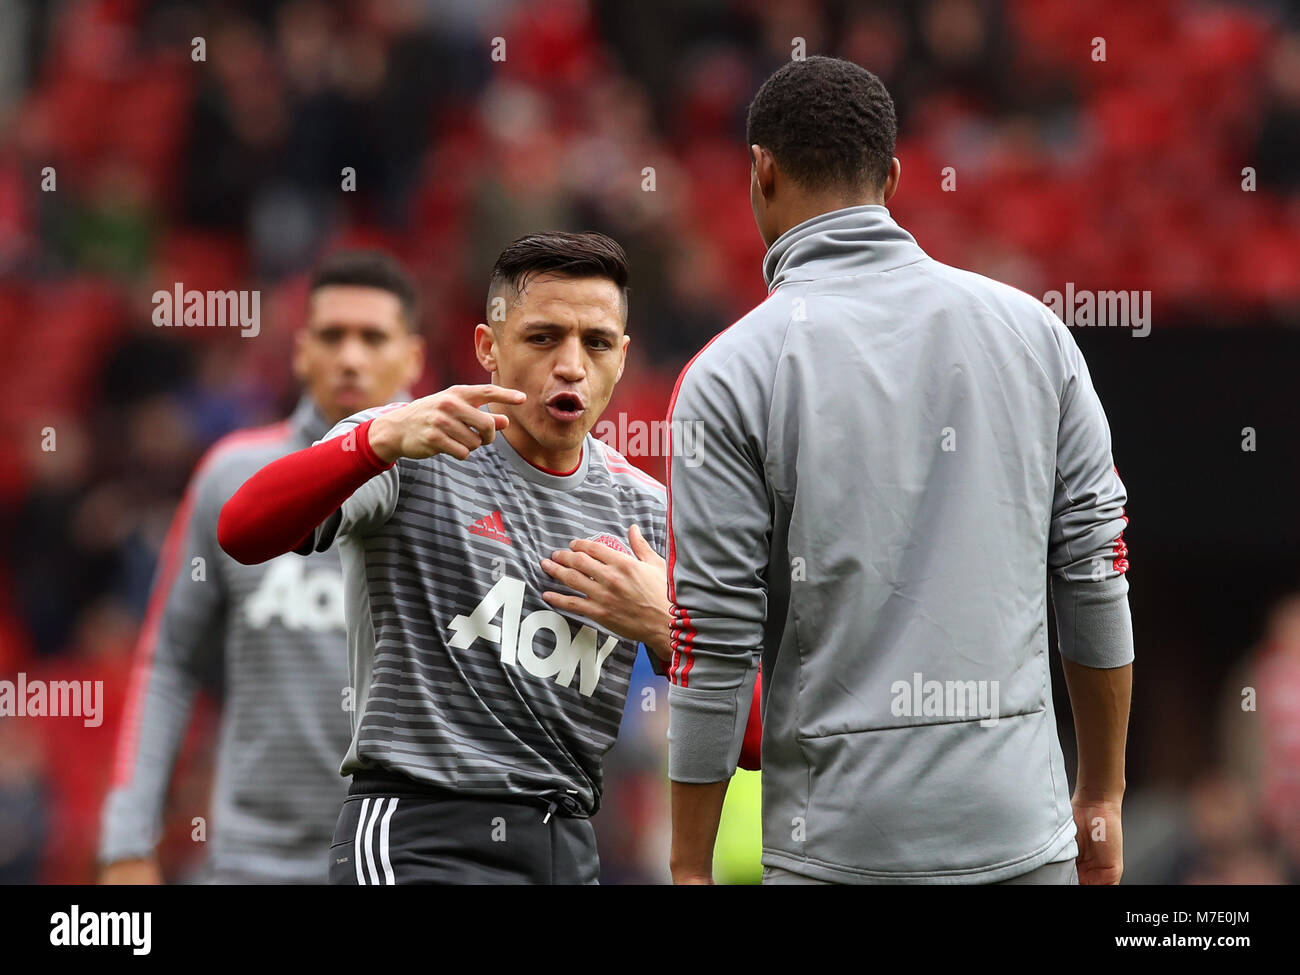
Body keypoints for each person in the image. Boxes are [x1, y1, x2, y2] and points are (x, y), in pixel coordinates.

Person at [665, 56, 1133, 886]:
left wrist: (689, 865)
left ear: (759, 173)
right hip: (1021, 837)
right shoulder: (1037, 332)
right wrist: (1100, 795)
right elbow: (1096, 574)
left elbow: (715, 638)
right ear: (892, 177)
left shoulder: (730, 371)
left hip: (841, 851)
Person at [218, 232, 680, 884]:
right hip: (416, 829)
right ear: (487, 348)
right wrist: (375, 441)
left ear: (622, 357)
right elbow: (242, 530)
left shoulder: (649, 516)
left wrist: (669, 630)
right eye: (543, 337)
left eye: (596, 342)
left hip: (566, 843)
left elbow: (750, 740)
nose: (572, 364)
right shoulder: (411, 442)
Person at [99, 250, 425, 883]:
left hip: (407, 861)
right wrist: (127, 840)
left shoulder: (461, 486)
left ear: (412, 356)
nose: (351, 357)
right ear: (301, 352)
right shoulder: (234, 478)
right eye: (333, 336)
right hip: (253, 864)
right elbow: (169, 661)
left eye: (373, 337)